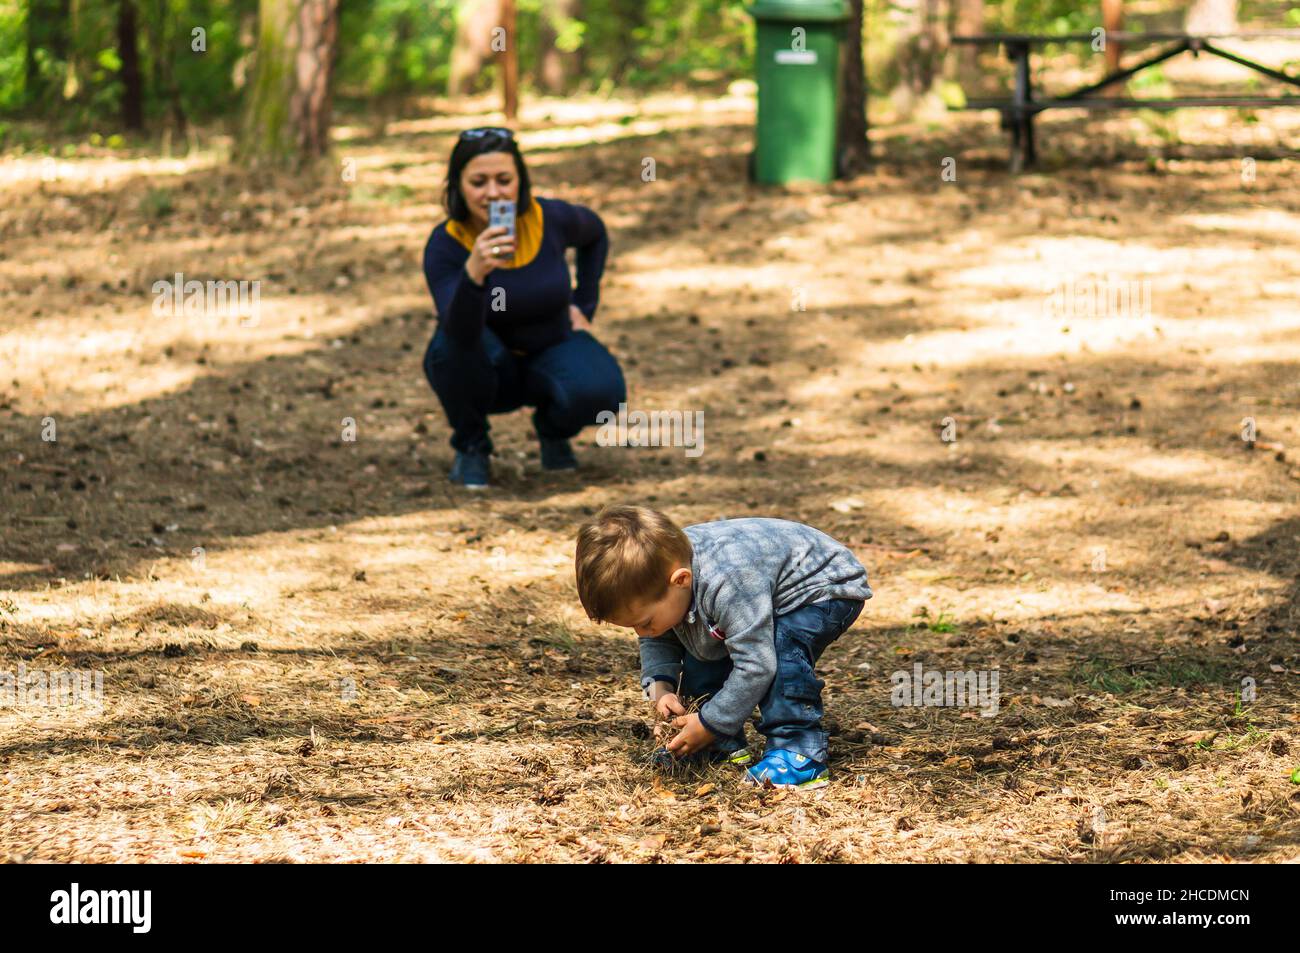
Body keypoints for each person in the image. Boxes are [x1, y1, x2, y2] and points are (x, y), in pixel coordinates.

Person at [574, 504, 874, 789]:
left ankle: (798, 750)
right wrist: (660, 688)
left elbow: (757, 665)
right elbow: (657, 638)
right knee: (700, 645)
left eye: (645, 621)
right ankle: (719, 742)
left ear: (680, 580)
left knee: (780, 652)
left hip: (820, 588)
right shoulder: (666, 583)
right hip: (756, 591)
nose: (642, 632)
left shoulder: (728, 584)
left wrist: (712, 721)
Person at [422, 127, 627, 488]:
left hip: (549, 348)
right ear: (458, 185)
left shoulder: (548, 219)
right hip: (486, 367)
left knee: (603, 393)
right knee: (446, 350)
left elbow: (594, 233)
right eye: (478, 182)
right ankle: (472, 445)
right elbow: (459, 331)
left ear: (521, 180)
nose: (493, 193)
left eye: (504, 180)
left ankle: (552, 429)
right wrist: (474, 273)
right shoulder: (446, 243)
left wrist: (585, 303)